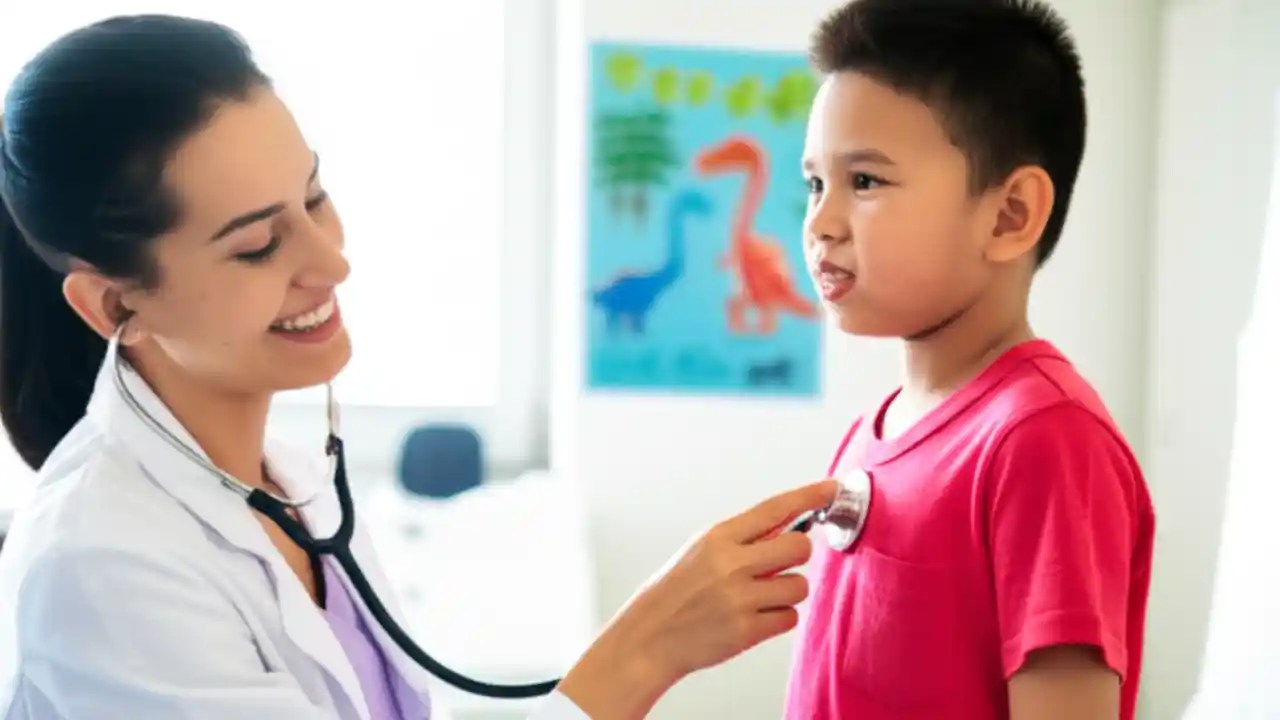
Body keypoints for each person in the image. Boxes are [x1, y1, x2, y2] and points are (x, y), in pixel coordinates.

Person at [0, 15, 836, 720]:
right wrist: (643, 652)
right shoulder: (102, 562)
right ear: (116, 306)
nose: (331, 262)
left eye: (315, 197)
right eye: (257, 245)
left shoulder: (289, 485)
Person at [784, 1, 1157, 719]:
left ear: (1010, 215)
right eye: (815, 184)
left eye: (866, 182)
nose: (821, 223)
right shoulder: (871, 432)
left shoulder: (1046, 441)